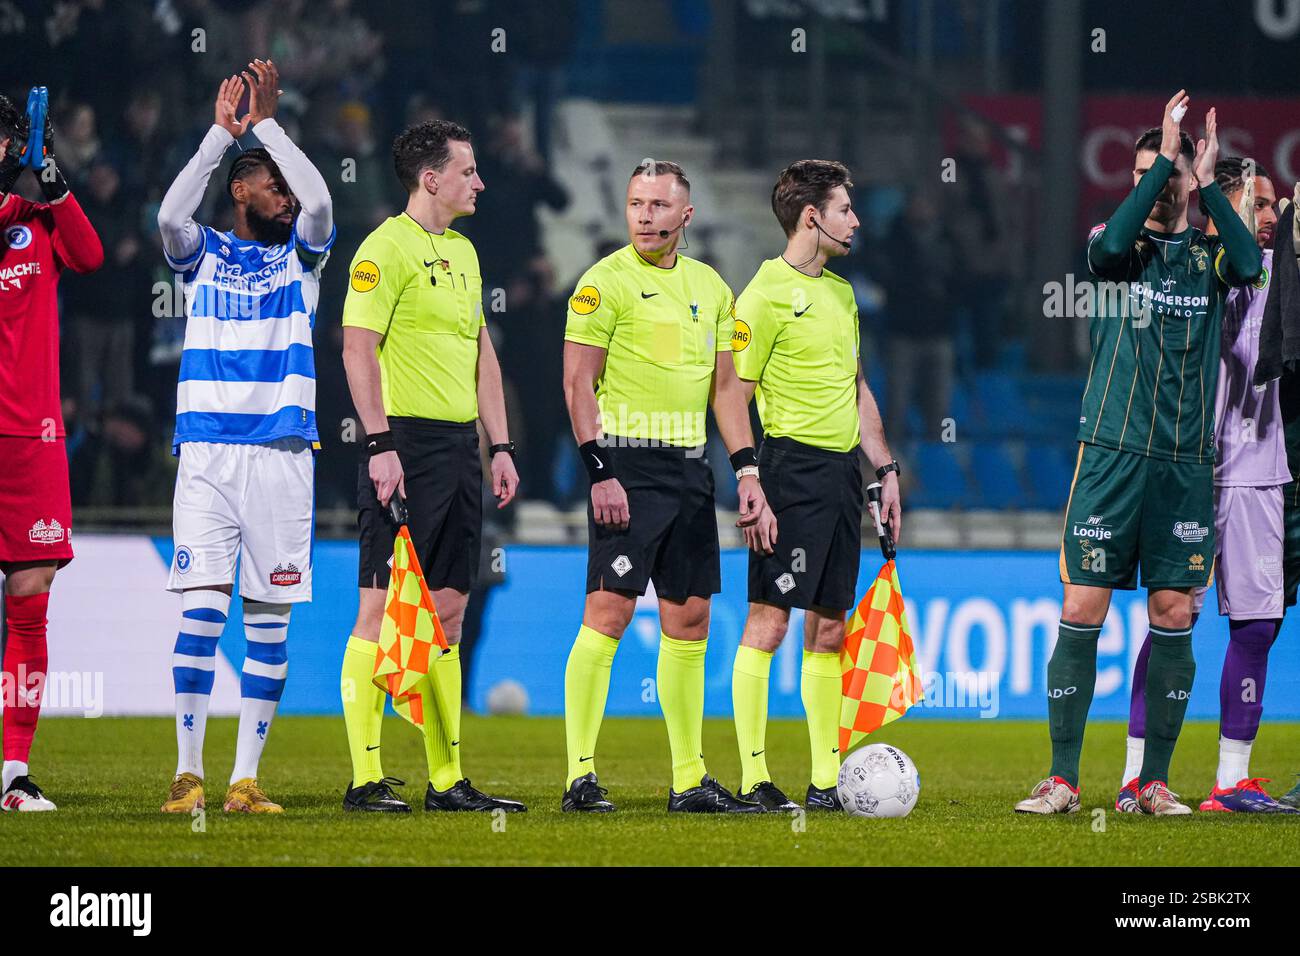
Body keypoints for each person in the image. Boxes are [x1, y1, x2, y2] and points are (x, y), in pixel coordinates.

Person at [1016, 91, 1263, 816]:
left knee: (1175, 611)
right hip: (1112, 456)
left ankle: (1150, 782)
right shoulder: (1116, 248)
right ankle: (1062, 779)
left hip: (1185, 464)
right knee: (1083, 602)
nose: (1148, 189)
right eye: (1138, 177)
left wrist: (1208, 180)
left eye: (1161, 176)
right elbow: (1115, 242)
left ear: (1186, 183)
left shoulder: (1210, 259)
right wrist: (1164, 157)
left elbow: (1250, 263)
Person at [559, 159, 772, 814]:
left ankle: (688, 780)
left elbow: (727, 387)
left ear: (686, 214)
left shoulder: (713, 288)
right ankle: (580, 777)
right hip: (628, 463)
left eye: (657, 205)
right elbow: (577, 383)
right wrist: (599, 471)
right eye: (635, 204)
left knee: (691, 617)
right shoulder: (602, 284)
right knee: (611, 610)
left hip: (689, 467)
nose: (644, 216)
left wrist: (746, 469)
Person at [156, 61, 335, 815]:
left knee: (269, 624)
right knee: (202, 612)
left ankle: (244, 780)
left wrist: (266, 126)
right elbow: (168, 218)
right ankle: (188, 773)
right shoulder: (205, 254)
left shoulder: (303, 260)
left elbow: (322, 198)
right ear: (239, 191)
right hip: (207, 455)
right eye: (272, 188)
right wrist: (219, 138)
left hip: (283, 457)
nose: (288, 200)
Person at [339, 119, 524, 814]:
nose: (479, 181)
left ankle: (447, 781)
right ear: (431, 179)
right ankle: (363, 780)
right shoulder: (383, 250)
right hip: (404, 447)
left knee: (449, 612)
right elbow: (357, 349)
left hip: (458, 450)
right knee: (379, 609)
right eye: (469, 171)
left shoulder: (466, 254)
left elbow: (482, 354)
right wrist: (380, 445)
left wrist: (499, 446)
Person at [729, 159, 902, 812]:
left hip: (839, 476)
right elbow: (734, 395)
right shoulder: (763, 295)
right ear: (812, 217)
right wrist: (750, 480)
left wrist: (883, 472)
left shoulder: (841, 293)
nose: (856, 220)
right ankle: (751, 780)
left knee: (830, 627)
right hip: (788, 470)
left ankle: (825, 783)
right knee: (769, 621)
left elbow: (857, 389)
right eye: (846, 210)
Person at [0, 90, 104, 812]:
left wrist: (55, 187)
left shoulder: (38, 222)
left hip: (33, 441)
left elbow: (92, 256)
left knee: (29, 603)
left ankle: (12, 774)